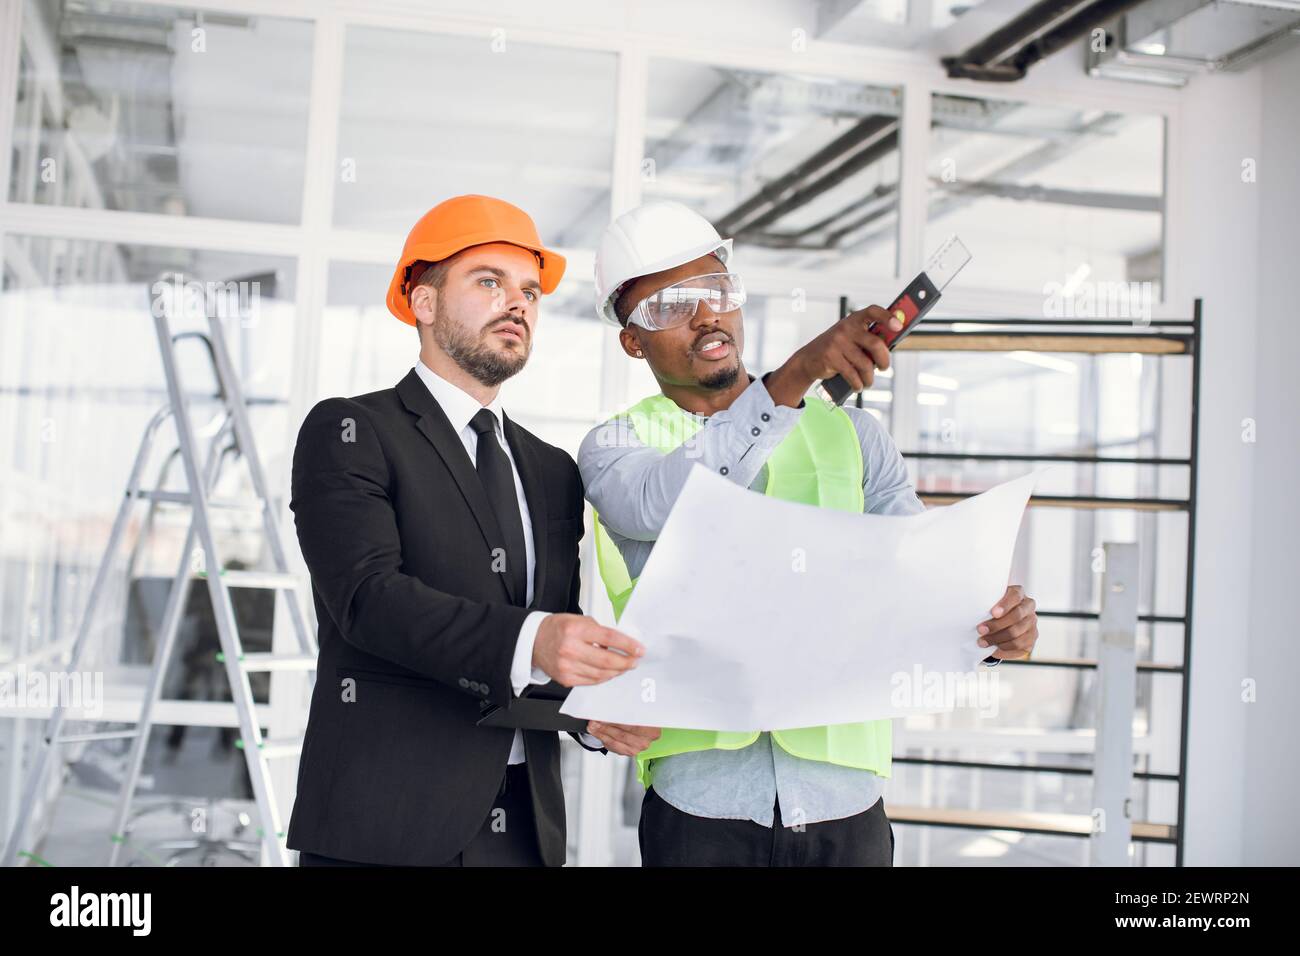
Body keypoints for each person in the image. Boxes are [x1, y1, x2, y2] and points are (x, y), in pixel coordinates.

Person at [578, 200, 1039, 866]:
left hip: (843, 805)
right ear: (631, 339)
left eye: (716, 290)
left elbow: (921, 579)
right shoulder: (616, 444)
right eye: (670, 305)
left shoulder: (853, 436)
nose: (707, 315)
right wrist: (793, 378)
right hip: (701, 808)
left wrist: (992, 628)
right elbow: (666, 505)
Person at [287, 194, 657, 867]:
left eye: (529, 292)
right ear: (423, 303)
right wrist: (535, 638)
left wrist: (590, 710)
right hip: (386, 824)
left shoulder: (550, 470)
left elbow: (541, 635)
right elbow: (367, 601)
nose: (516, 303)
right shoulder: (351, 431)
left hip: (522, 825)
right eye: (488, 281)